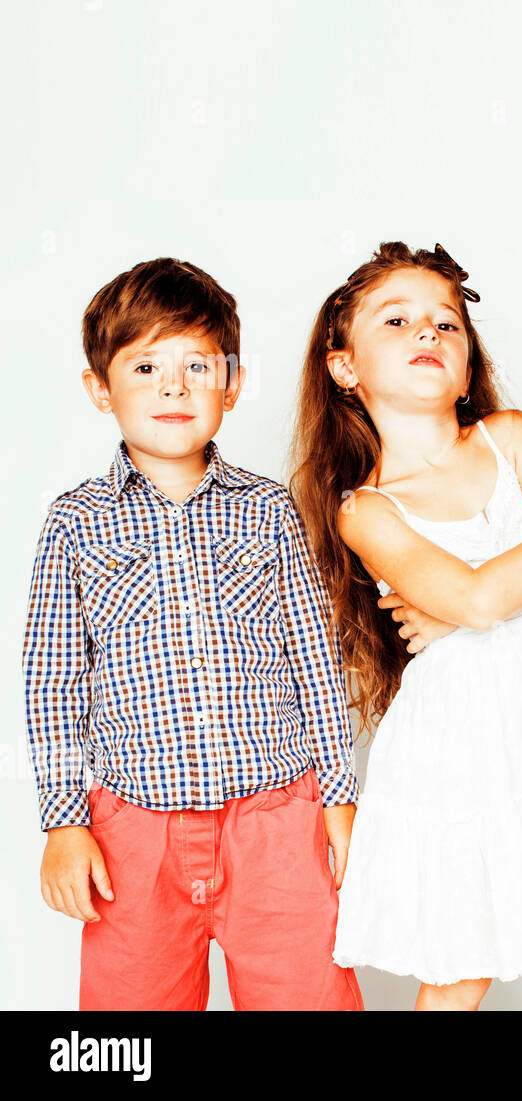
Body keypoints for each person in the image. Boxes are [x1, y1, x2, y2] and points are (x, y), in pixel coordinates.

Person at [288, 241, 522, 1010]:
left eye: (446, 324)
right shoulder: (367, 508)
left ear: (466, 356)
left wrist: (466, 613)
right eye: (398, 321)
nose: (428, 333)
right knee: (459, 969)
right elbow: (498, 590)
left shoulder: (510, 437)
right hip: (454, 744)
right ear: (345, 366)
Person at [22, 256, 376, 1010]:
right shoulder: (75, 522)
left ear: (233, 383)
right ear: (99, 388)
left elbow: (313, 659)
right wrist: (63, 821)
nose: (173, 386)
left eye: (197, 365)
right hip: (133, 829)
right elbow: (52, 683)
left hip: (276, 818)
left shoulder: (269, 510)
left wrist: (339, 796)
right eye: (145, 365)